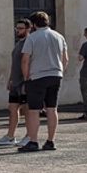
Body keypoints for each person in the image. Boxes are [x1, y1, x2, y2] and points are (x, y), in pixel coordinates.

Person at [19, 11, 68, 152]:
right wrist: (60, 72)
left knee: (34, 110)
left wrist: (26, 77)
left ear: (34, 24)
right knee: (52, 109)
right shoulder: (59, 36)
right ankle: (51, 141)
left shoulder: (32, 38)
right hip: (55, 75)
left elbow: (25, 60)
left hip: (37, 76)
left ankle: (33, 141)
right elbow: (65, 59)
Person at [0, 19, 31, 146]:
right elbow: (14, 64)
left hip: (24, 82)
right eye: (17, 28)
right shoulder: (18, 44)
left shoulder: (29, 42)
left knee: (27, 110)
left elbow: (28, 62)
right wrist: (10, 79)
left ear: (28, 29)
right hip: (15, 82)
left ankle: (29, 135)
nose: (18, 30)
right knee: (12, 108)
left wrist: (27, 80)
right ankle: (10, 136)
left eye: (21, 28)